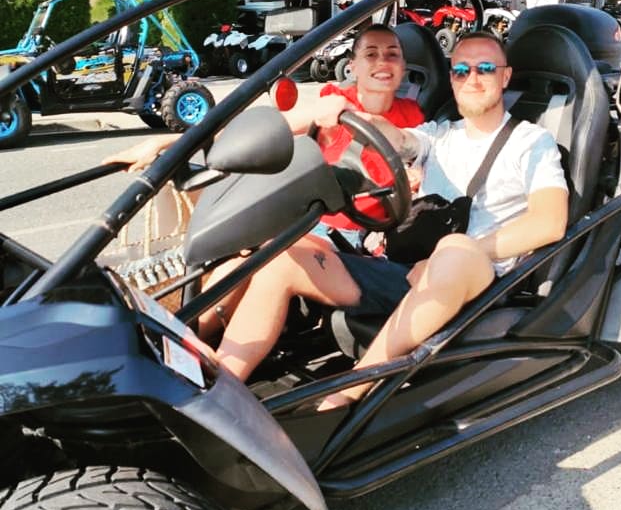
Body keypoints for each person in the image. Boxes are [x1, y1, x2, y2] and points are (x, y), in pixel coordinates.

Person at [206, 31, 569, 410]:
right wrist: (348, 114)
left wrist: (447, 256)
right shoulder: (438, 133)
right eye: (462, 70)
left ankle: (349, 391)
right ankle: (218, 388)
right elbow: (395, 138)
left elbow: (549, 222)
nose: (473, 78)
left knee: (454, 249)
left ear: (505, 77)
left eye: (486, 68)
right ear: (451, 78)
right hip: (402, 269)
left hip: (475, 279)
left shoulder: (531, 141)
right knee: (282, 259)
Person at [102, 24, 424, 333]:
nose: (382, 62)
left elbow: (425, 174)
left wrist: (415, 182)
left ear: (403, 65)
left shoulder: (414, 118)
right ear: (351, 66)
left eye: (392, 54)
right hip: (313, 220)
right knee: (240, 255)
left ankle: (183, 341)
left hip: (362, 236)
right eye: (371, 54)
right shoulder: (333, 104)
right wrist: (168, 144)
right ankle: (178, 337)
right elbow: (264, 131)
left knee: (265, 255)